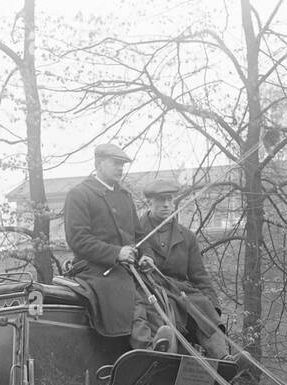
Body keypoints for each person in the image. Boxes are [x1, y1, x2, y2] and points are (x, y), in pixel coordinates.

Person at [63, 143, 170, 350]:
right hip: (94, 269)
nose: (121, 168)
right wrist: (116, 253)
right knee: (132, 302)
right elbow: (78, 239)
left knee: (159, 298)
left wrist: (146, 256)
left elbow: (140, 236)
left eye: (122, 164)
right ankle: (146, 352)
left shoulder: (124, 196)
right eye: (116, 163)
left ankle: (168, 349)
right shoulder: (79, 194)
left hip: (128, 268)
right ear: (98, 163)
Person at [138, 177, 229, 358]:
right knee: (162, 309)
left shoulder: (187, 236)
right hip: (149, 287)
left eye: (170, 199)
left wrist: (214, 305)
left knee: (203, 305)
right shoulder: (137, 232)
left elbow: (199, 275)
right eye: (161, 200)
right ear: (150, 202)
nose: (166, 205)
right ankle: (165, 359)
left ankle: (224, 360)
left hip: (180, 290)